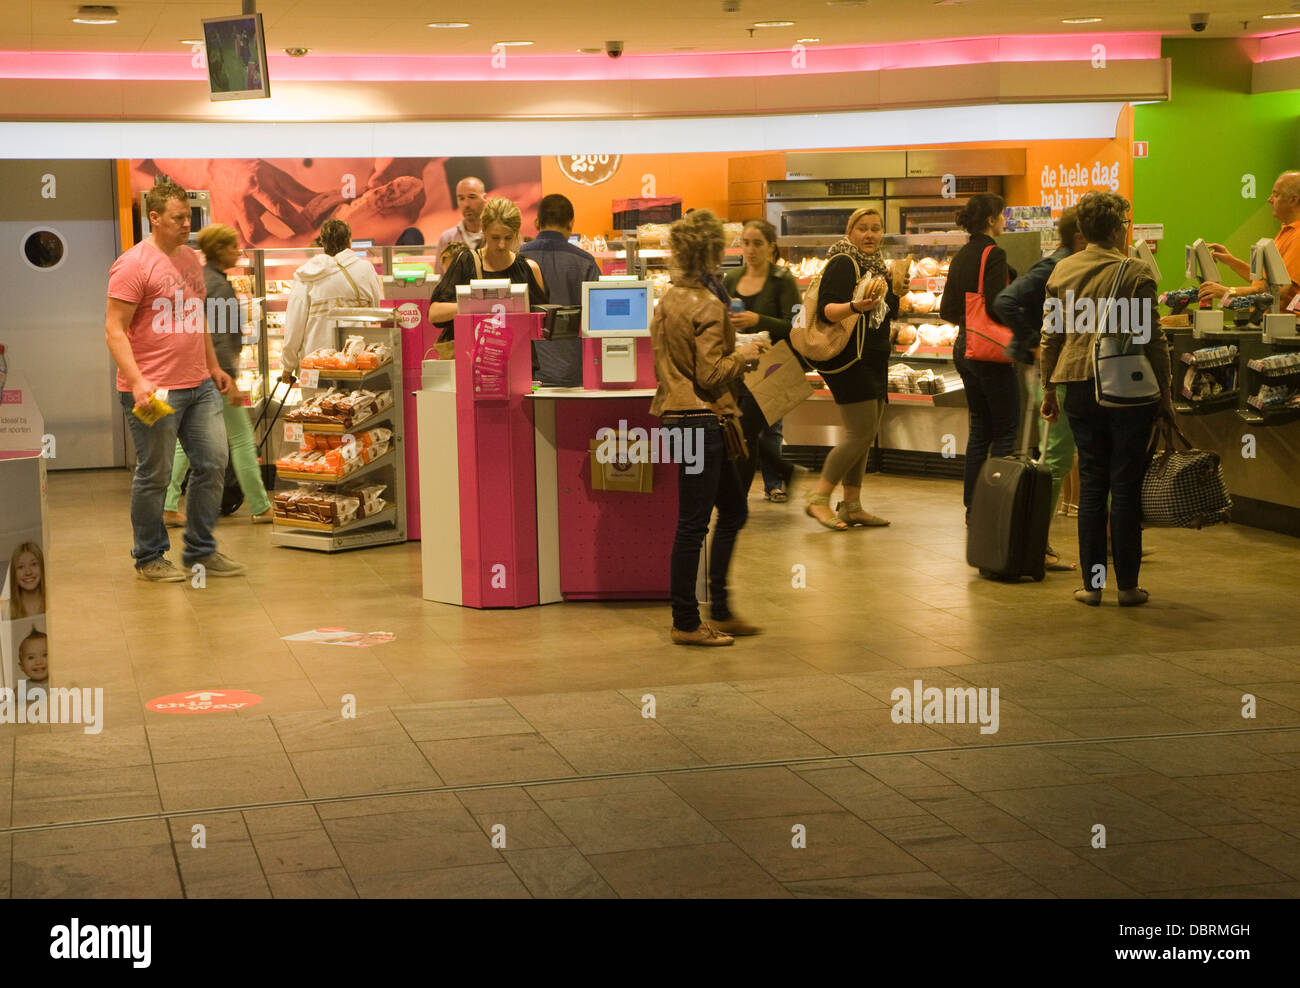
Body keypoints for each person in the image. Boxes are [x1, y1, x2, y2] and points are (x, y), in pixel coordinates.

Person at [106, 181, 244, 582]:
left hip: (199, 384)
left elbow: (195, 318)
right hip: (155, 391)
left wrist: (214, 367)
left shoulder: (189, 259)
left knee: (214, 461)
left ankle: (201, 549)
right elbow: (114, 329)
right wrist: (137, 381)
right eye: (179, 218)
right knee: (155, 473)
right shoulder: (133, 264)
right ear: (155, 218)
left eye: (190, 217)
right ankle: (149, 555)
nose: (187, 224)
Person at [1040, 192, 1174, 607]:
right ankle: (1129, 587)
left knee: (1093, 486)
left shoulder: (1062, 270)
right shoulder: (1136, 273)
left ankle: (1093, 586)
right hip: (1129, 391)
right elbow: (1152, 339)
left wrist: (1048, 387)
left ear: (1083, 230)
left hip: (1078, 386)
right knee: (1126, 487)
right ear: (1119, 230)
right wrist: (1166, 397)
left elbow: (1052, 336)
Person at [650, 210, 768, 646]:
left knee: (732, 509)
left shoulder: (668, 300)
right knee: (693, 524)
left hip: (677, 417)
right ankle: (686, 621)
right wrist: (748, 353)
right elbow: (711, 373)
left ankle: (718, 608)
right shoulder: (709, 303)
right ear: (713, 251)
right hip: (703, 421)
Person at [991, 206, 1086, 571]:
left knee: (1066, 452)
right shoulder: (1055, 266)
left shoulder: (1070, 264)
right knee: (1056, 455)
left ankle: (1104, 536)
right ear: (1079, 237)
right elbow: (1005, 300)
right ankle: (1037, 544)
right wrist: (1034, 342)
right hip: (1049, 371)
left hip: (1063, 369)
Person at [163, 224, 273, 528]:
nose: (238, 252)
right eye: (233, 246)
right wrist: (229, 379)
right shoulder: (220, 286)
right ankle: (262, 506)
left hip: (194, 373)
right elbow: (221, 338)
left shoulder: (199, 280)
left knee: (185, 444)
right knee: (241, 439)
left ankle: (169, 504)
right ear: (220, 250)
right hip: (216, 377)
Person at [800, 207, 904, 531]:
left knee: (866, 433)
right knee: (859, 432)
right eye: (863, 228)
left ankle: (852, 505)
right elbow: (828, 312)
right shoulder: (844, 262)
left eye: (876, 228)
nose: (870, 234)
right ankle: (818, 498)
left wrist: (897, 288)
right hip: (847, 359)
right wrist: (856, 306)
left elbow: (888, 313)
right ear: (850, 233)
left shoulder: (877, 268)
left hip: (873, 356)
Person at [939, 192, 1016, 518]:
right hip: (989, 351)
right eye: (1001, 214)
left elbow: (946, 309)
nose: (1004, 219)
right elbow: (1000, 304)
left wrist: (970, 322)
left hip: (964, 347)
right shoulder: (992, 253)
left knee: (979, 430)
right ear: (990, 219)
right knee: (1006, 431)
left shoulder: (961, 255)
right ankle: (995, 507)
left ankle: (973, 507)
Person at [722, 219, 801, 501]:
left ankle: (771, 480)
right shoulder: (731, 279)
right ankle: (774, 475)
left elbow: (796, 325)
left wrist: (758, 320)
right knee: (746, 430)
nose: (751, 249)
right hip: (738, 365)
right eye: (746, 242)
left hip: (773, 364)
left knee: (757, 429)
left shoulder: (782, 280)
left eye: (757, 243)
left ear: (771, 247)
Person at [428, 197, 548, 342]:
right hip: (476, 359)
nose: (502, 245)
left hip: (520, 357)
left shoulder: (528, 268)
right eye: (495, 237)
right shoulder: (467, 262)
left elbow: (543, 324)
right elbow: (434, 313)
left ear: (516, 234)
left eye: (508, 238)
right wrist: (478, 306)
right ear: (484, 230)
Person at [280, 218, 383, 380]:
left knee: (315, 405)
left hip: (316, 364)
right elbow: (377, 310)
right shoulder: (365, 270)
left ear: (323, 243)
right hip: (356, 362)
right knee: (353, 403)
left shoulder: (307, 274)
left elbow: (294, 325)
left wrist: (288, 366)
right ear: (349, 242)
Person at [1198, 171, 1300, 307]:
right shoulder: (1286, 232)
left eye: (1276, 195)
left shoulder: (1298, 237)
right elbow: (1264, 283)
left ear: (1293, 200)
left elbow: (1280, 290)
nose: (1269, 199)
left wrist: (1229, 291)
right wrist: (1231, 261)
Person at [517, 194, 601, 306]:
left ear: (537, 223)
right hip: (574, 324)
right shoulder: (586, 262)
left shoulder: (517, 257)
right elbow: (598, 306)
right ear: (571, 224)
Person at [434, 177, 487, 274]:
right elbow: (439, 279)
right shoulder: (447, 238)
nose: (466, 204)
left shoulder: (498, 236)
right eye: (461, 198)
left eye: (472, 197)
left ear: (485, 198)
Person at [4, 543, 45, 619]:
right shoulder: (3, 610)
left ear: (42, 567)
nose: (28, 572)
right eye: (21, 567)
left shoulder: (55, 602)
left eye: (33, 564)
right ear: (14, 573)